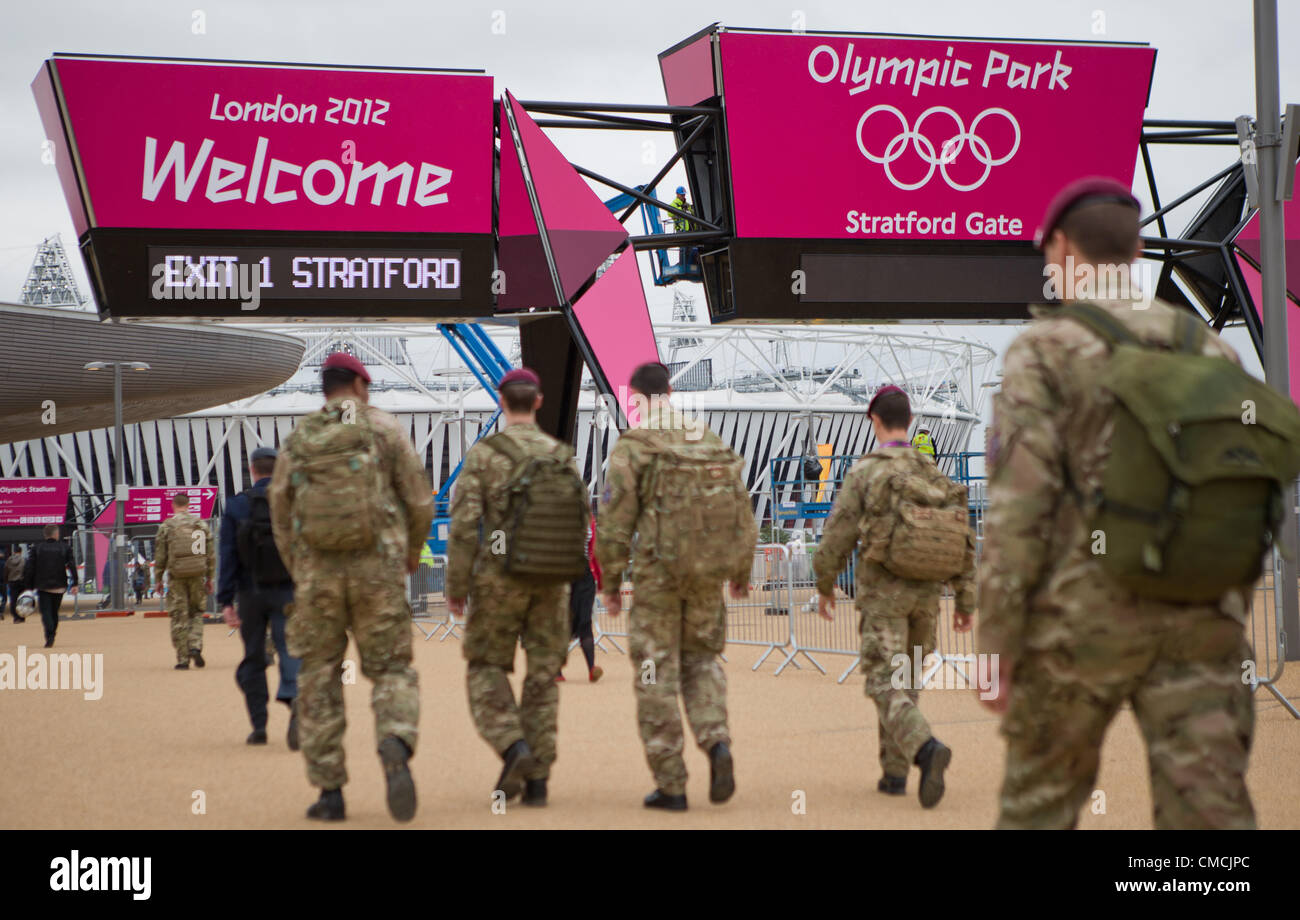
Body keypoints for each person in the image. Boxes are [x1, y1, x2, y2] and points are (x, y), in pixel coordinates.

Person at [980, 176, 1260, 829]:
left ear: (1060, 249)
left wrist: (997, 639)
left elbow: (1019, 508)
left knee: (1039, 810)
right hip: (1200, 614)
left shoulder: (1045, 350)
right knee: (1209, 821)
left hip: (1080, 621)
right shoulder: (1209, 348)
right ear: (1136, 254)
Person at [269, 351, 433, 822]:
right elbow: (419, 501)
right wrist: (410, 552)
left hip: (317, 574)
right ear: (360, 386)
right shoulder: (383, 430)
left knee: (318, 677)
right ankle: (394, 740)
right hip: (377, 570)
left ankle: (330, 793)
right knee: (391, 669)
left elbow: (279, 511)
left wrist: (300, 566)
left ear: (325, 389)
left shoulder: (301, 437)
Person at [597, 361, 757, 810]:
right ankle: (716, 742)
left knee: (655, 674)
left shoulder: (635, 445)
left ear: (636, 398)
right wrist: (741, 571)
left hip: (658, 578)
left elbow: (613, 521)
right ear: (670, 391)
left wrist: (610, 580)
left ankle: (671, 783)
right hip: (707, 575)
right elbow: (741, 510)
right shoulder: (708, 440)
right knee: (702, 663)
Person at [812, 386, 976, 808]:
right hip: (925, 596)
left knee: (884, 681)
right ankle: (894, 774)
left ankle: (924, 748)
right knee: (906, 682)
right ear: (911, 422)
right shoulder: (931, 471)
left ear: (875, 421)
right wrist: (964, 599)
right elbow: (961, 532)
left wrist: (826, 583)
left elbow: (839, 532)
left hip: (884, 595)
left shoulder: (867, 471)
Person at [448, 367, 584, 808]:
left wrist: (457, 585)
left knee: (484, 667)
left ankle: (513, 746)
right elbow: (579, 520)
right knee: (543, 676)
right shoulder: (561, 454)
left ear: (502, 402)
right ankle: (539, 782)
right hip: (551, 579)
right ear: (539, 401)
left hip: (499, 579)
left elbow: (465, 524)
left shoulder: (485, 456)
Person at [219, 446, 301, 748]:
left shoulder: (238, 505)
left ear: (252, 470)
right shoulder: (292, 502)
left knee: (254, 657)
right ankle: (295, 706)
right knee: (290, 649)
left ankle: (259, 727)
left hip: (249, 592)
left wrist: (226, 599)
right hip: (288, 590)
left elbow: (226, 554)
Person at [154, 493, 214, 670]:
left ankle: (182, 659)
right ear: (189, 505)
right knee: (196, 612)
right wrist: (210, 577)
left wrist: (158, 578)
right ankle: (195, 645)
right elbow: (210, 554)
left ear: (173, 505)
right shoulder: (201, 524)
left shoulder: (167, 526)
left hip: (176, 576)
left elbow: (160, 555)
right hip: (197, 574)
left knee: (179, 616)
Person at [557, 512, 603, 684]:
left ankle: (591, 668)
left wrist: (598, 577)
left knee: (583, 621)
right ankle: (557, 670)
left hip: (582, 574)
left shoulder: (588, 519)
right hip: (564, 573)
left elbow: (594, 550)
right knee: (563, 622)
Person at [22, 525, 77, 647]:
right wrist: (75, 583)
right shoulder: (65, 547)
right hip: (60, 585)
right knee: (54, 611)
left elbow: (30, 568)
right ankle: (52, 633)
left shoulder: (37, 548)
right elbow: (72, 565)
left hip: (42, 585)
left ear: (45, 535)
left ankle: (50, 635)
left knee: (45, 611)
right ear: (56, 534)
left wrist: (28, 587)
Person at [671, 185, 695, 268]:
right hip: (682, 229)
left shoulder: (687, 204)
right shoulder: (674, 204)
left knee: (691, 248)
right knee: (683, 248)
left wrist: (692, 208)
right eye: (681, 195)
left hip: (690, 229)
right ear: (677, 194)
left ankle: (690, 264)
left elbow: (693, 212)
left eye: (684, 195)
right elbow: (670, 213)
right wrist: (682, 210)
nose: (683, 196)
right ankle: (682, 264)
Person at [5, 547, 24, 621]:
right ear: (21, 552)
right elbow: (26, 570)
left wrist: (6, 580)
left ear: (14, 551)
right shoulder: (23, 560)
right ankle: (22, 616)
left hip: (12, 582)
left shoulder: (9, 560)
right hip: (21, 582)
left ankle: (15, 616)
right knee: (21, 599)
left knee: (13, 599)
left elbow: (6, 571)